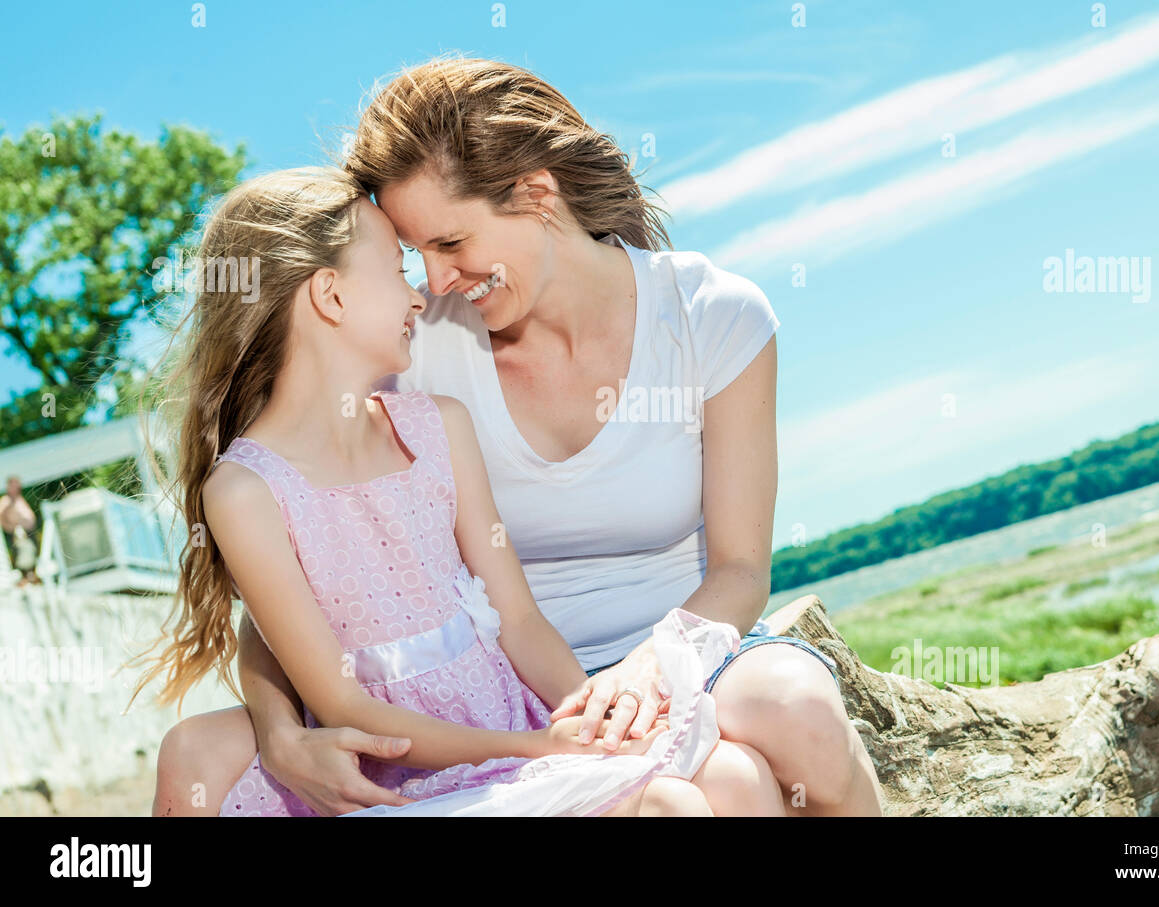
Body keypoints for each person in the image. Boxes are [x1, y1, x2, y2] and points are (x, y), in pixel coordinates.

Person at [153, 57, 886, 818]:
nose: (433, 282)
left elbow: (740, 568)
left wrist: (644, 673)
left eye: (448, 243)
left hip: (672, 650)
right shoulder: (414, 347)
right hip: (499, 693)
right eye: (410, 256)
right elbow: (313, 562)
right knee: (201, 755)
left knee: (798, 718)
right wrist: (278, 729)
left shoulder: (712, 315)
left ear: (536, 195)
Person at [1, 475, 40, 585]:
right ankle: (25, 578)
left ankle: (32, 576)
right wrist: (12, 527)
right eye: (12, 485)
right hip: (16, 534)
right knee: (21, 557)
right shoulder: (6, 500)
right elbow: (2, 517)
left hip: (27, 533)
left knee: (31, 553)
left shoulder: (19, 499)